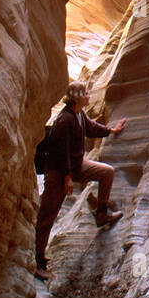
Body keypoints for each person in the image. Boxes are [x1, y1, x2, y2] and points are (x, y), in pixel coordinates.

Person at [34, 79, 127, 280]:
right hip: (58, 173)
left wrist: (111, 131)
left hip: (76, 166)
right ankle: (38, 261)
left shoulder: (78, 115)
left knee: (106, 172)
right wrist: (67, 178)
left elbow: (91, 127)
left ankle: (101, 214)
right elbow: (59, 152)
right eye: (85, 93)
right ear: (77, 96)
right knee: (47, 217)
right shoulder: (64, 120)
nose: (88, 96)